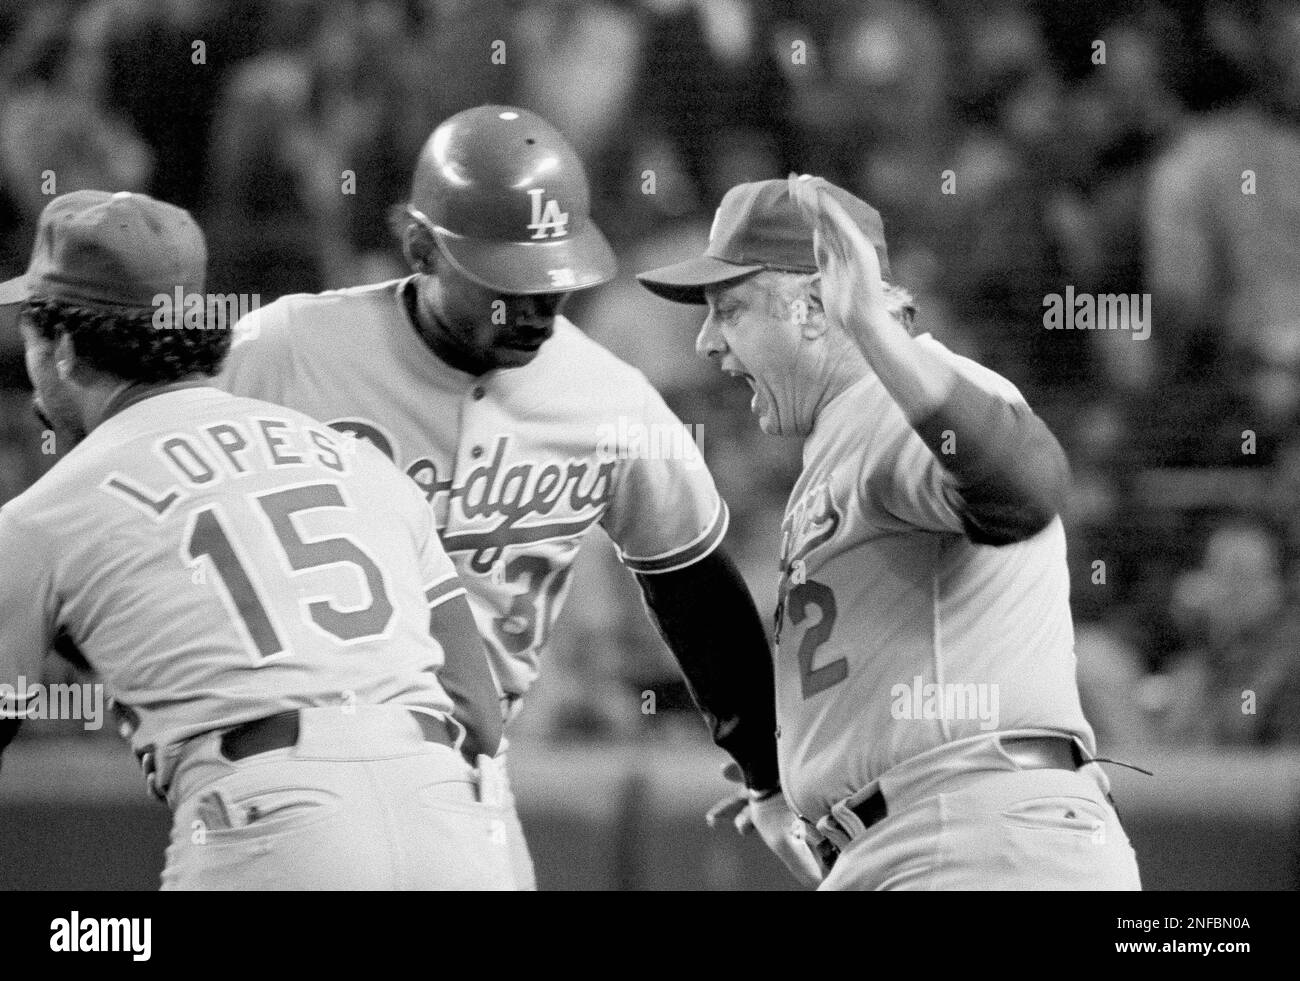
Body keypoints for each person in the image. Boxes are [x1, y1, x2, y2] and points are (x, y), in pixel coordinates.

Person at [217, 105, 814, 889]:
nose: (538, 304)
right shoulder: (285, 351)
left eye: (554, 279)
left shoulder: (609, 399)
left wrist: (766, 777)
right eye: (509, 281)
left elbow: (699, 595)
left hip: (468, 784)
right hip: (289, 773)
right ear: (421, 248)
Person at [637, 175, 1142, 890]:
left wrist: (871, 326)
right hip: (928, 844)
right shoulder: (845, 433)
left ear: (814, 306)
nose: (706, 340)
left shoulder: (900, 402)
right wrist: (804, 784)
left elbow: (1025, 491)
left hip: (973, 842)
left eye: (730, 308)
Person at [0, 190, 513, 890]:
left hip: (267, 826)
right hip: (450, 827)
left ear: (59, 346)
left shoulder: (43, 514)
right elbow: (479, 716)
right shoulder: (360, 461)